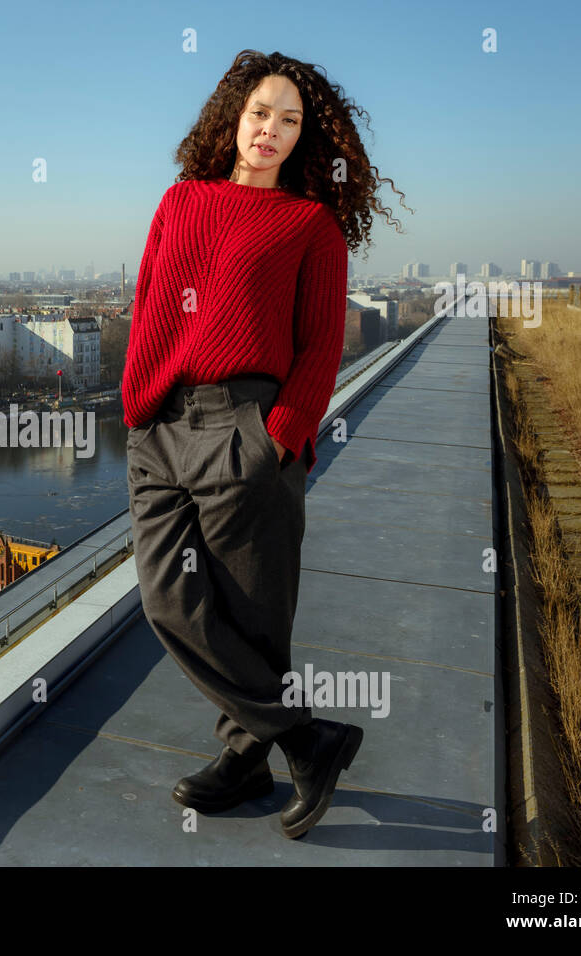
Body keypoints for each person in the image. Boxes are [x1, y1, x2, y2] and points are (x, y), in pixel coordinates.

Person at [123, 50, 409, 839]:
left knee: (254, 617)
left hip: (247, 427)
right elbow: (150, 302)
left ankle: (247, 759)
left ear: (305, 139)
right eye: (260, 113)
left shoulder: (309, 225)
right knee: (167, 600)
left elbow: (319, 348)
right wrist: (137, 408)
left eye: (290, 121)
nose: (270, 131)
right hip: (162, 430)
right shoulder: (180, 202)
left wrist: (278, 439)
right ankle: (309, 740)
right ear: (232, 117)